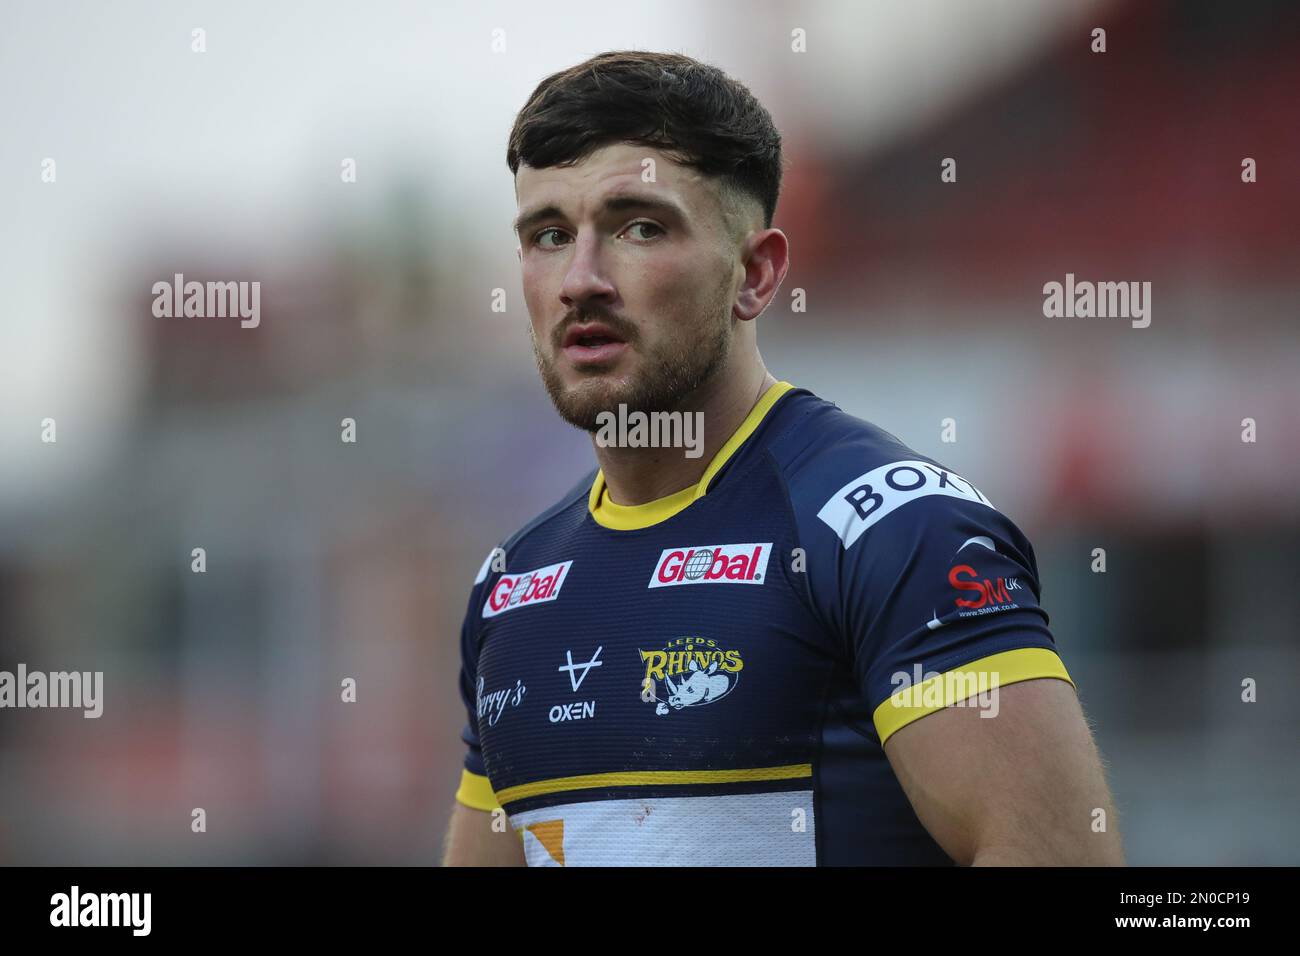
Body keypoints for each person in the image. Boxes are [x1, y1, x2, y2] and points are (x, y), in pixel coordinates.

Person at [441, 50, 1123, 866]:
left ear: (755, 275)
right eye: (548, 236)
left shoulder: (897, 534)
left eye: (639, 227)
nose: (580, 279)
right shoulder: (512, 589)